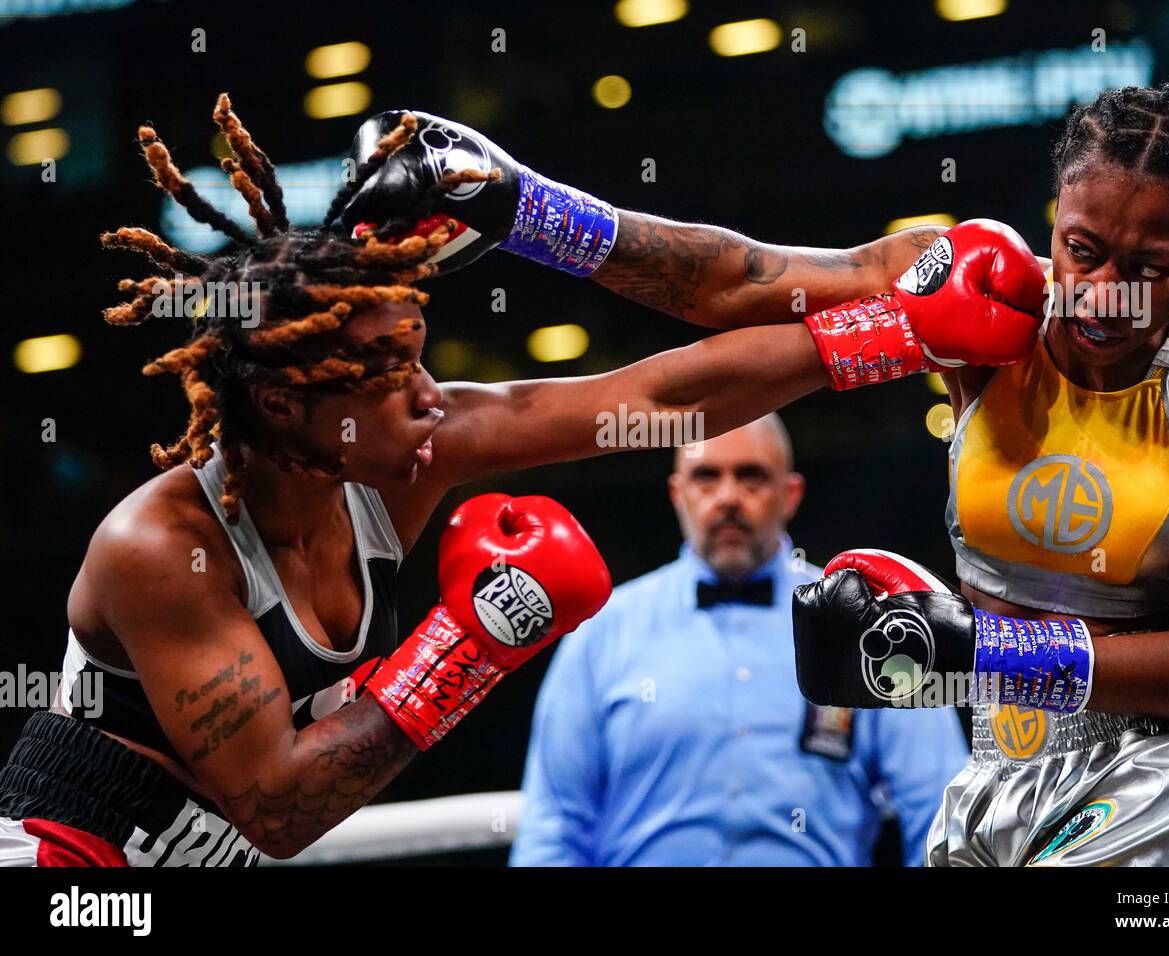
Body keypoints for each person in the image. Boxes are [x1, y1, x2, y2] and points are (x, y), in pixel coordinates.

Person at [0, 95, 1040, 867]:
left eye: (417, 350)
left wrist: (892, 330)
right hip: (70, 865)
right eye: (379, 369)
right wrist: (472, 639)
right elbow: (278, 807)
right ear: (284, 403)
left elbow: (649, 397)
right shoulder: (160, 549)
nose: (421, 388)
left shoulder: (404, 450)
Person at [365, 82, 1169, 866]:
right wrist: (521, 204)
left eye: (1150, 268)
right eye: (1082, 249)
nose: (1100, 294)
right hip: (1000, 774)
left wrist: (971, 649)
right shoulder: (975, 292)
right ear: (1054, 213)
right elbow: (733, 281)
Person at [511, 416, 967, 866]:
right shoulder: (603, 631)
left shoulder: (868, 625)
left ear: (790, 495)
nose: (728, 497)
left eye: (751, 477)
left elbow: (939, 810)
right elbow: (552, 828)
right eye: (707, 477)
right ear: (678, 494)